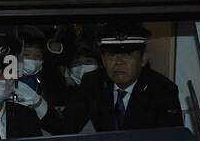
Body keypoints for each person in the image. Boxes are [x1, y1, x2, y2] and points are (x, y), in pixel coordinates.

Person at [51, 23, 183, 134]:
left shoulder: (162, 90)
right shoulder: (93, 82)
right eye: (111, 55)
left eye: (127, 55)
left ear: (143, 59)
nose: (119, 62)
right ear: (103, 60)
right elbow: (66, 126)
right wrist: (38, 105)